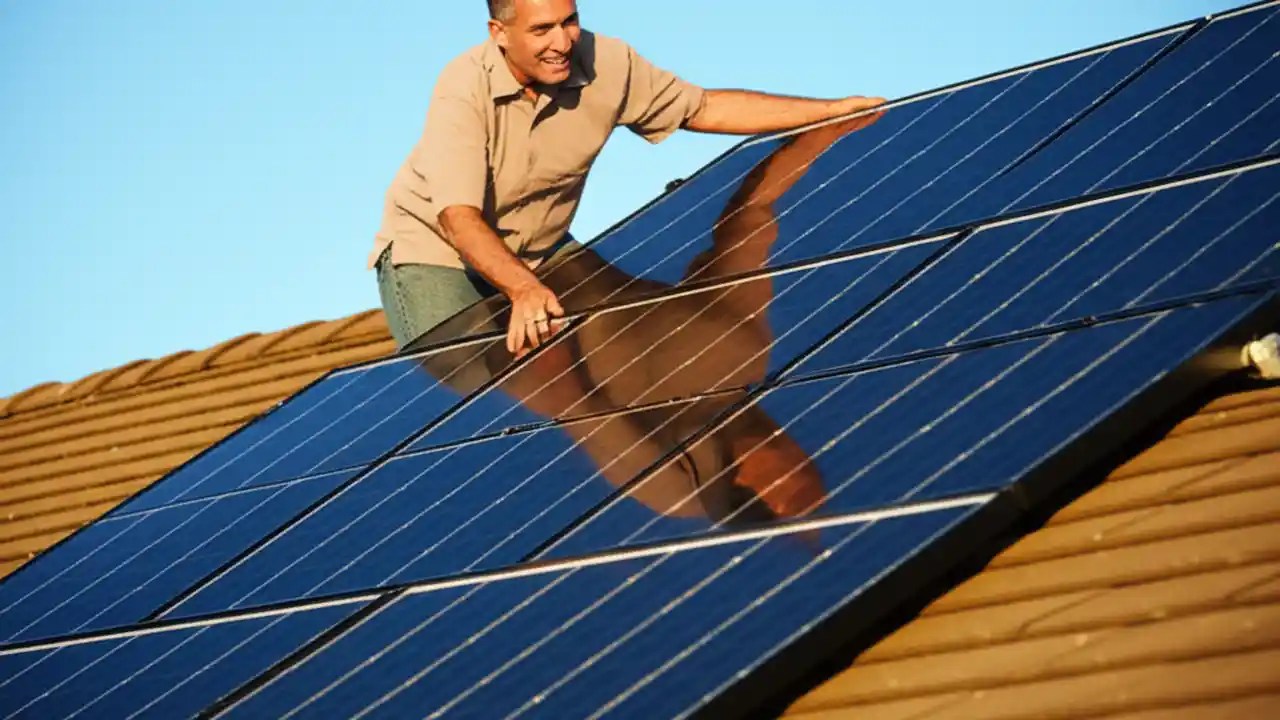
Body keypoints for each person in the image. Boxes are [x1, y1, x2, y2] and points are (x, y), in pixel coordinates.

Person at [370, 0, 885, 356]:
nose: (562, 41)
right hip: (436, 252)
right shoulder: (463, 89)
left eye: (569, 21)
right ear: (498, 34)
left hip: (540, 246)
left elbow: (701, 107)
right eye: (541, 29)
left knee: (634, 328)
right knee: (474, 391)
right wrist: (524, 290)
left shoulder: (606, 62)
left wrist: (830, 111)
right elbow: (458, 218)